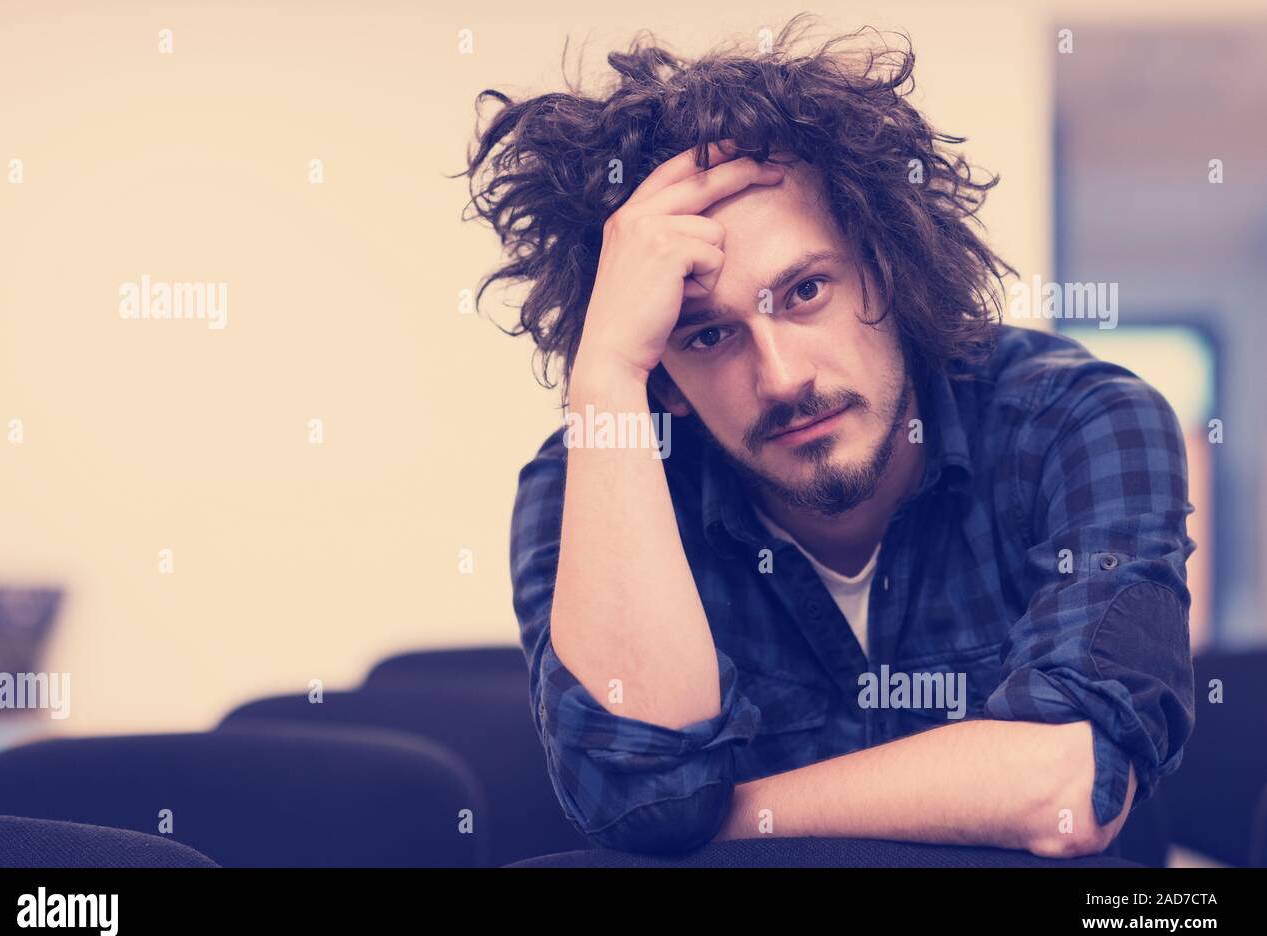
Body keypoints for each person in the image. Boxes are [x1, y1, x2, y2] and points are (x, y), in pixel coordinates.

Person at [460, 16, 1195, 857]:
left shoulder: (1082, 422)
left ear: (889, 265)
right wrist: (606, 375)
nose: (780, 377)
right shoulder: (592, 472)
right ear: (665, 380)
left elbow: (1071, 788)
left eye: (804, 290)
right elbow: (641, 794)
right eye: (706, 335)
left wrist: (717, 820)